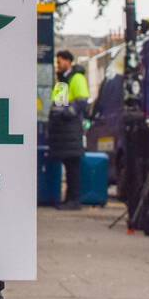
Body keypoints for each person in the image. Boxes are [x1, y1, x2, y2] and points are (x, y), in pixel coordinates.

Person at [48, 50, 90, 210]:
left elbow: (81, 101)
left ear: (68, 61)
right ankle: (69, 199)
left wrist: (67, 113)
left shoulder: (77, 78)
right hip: (64, 133)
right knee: (69, 166)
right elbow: (58, 104)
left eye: (59, 62)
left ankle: (74, 200)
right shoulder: (63, 80)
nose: (57, 65)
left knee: (73, 167)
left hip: (71, 130)